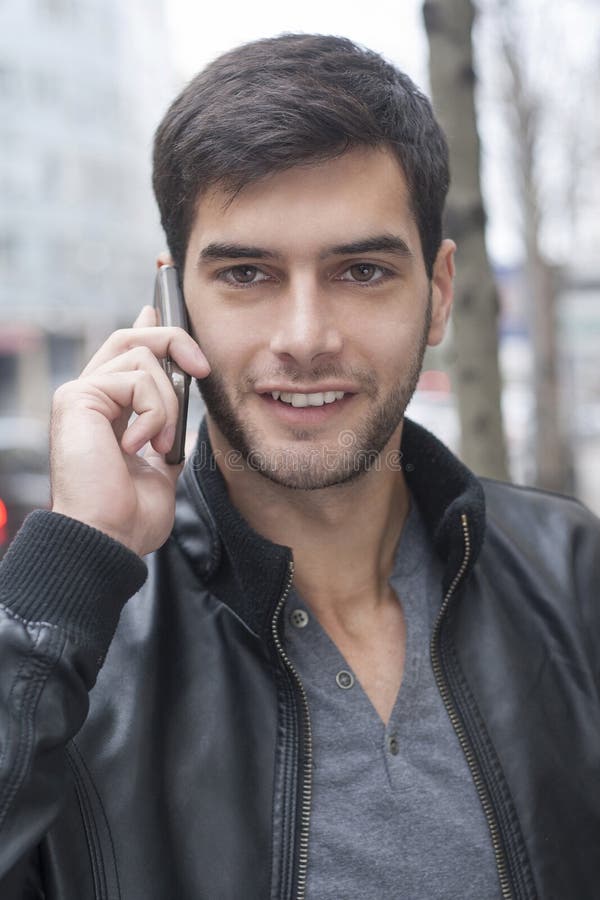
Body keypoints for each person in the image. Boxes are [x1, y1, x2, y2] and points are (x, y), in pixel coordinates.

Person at [0, 32, 598, 900]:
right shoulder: (83, 648)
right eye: (248, 274)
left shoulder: (571, 576)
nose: (306, 338)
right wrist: (69, 569)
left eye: (362, 270)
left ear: (438, 290)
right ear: (174, 304)